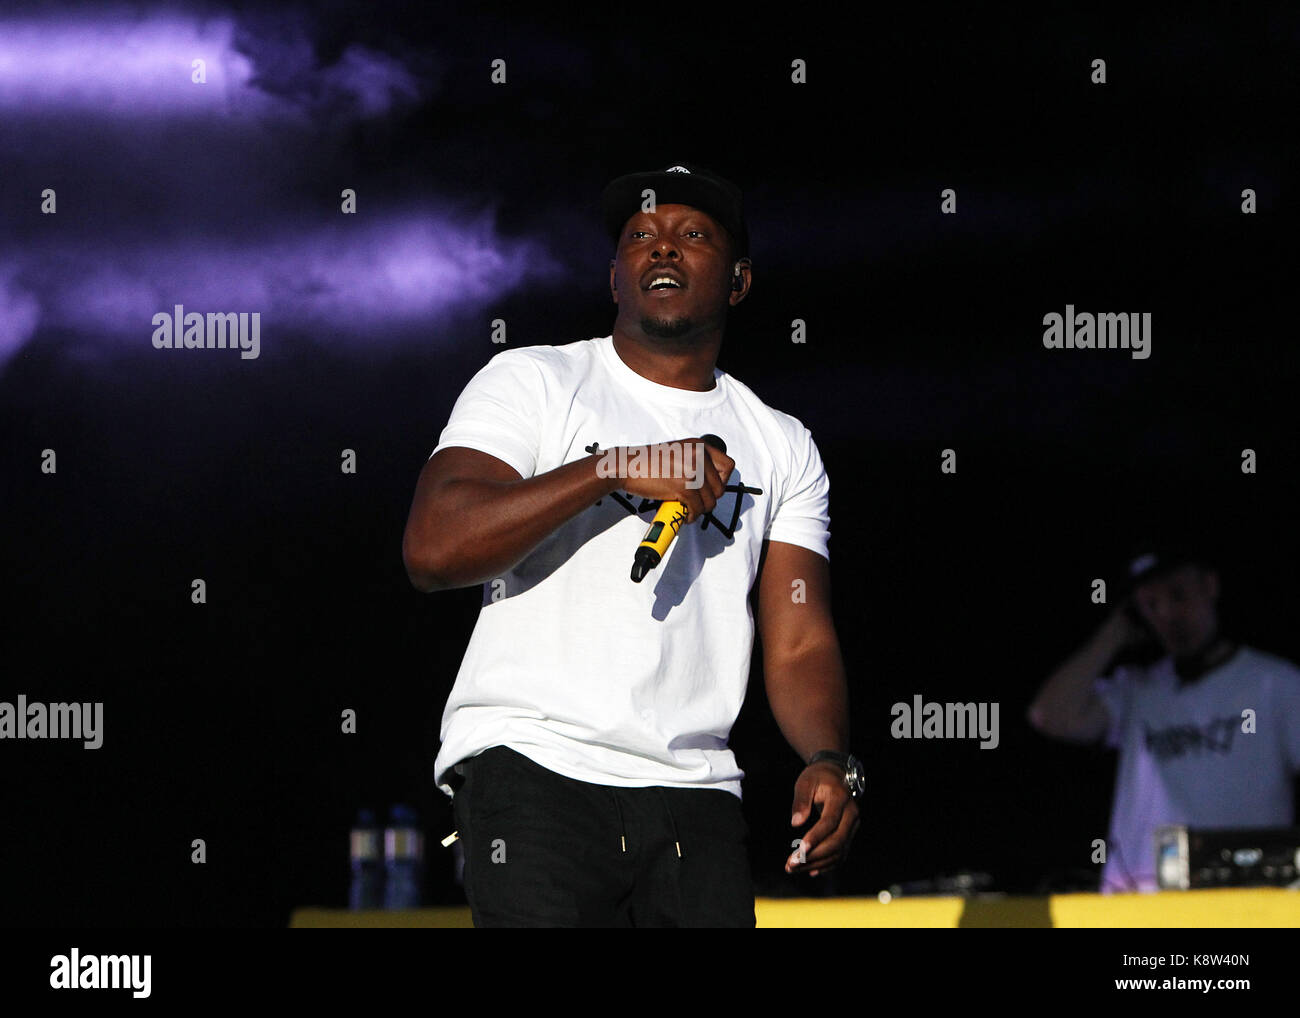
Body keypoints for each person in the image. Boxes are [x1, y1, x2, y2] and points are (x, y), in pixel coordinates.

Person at [402, 162, 863, 926]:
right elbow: (433, 549)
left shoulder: (782, 444)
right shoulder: (533, 380)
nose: (662, 249)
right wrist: (612, 468)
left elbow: (799, 639)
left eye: (692, 236)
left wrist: (827, 758)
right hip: (535, 768)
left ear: (740, 282)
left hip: (697, 792)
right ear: (616, 278)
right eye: (640, 237)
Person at [1027, 545, 1300, 892]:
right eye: (1150, 604)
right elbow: (1048, 716)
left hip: (1244, 899)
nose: (1168, 613)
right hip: (1139, 902)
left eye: (1178, 595)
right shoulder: (1137, 689)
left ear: (1210, 586)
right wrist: (1111, 636)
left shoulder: (1275, 683)